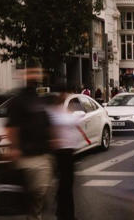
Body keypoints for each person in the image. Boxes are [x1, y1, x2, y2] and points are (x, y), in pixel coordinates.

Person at [5, 68, 53, 220]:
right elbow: (11, 127)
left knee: (40, 192)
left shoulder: (40, 99)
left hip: (42, 155)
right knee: (31, 195)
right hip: (26, 157)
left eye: (36, 73)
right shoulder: (18, 100)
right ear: (23, 77)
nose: (34, 76)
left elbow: (47, 123)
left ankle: (34, 215)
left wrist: (52, 140)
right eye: (30, 73)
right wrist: (14, 148)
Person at [48, 91, 83, 220]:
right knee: (66, 185)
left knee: (66, 185)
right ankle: (66, 214)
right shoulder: (55, 114)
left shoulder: (60, 112)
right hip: (63, 153)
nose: (65, 97)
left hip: (67, 152)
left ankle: (63, 212)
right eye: (64, 95)